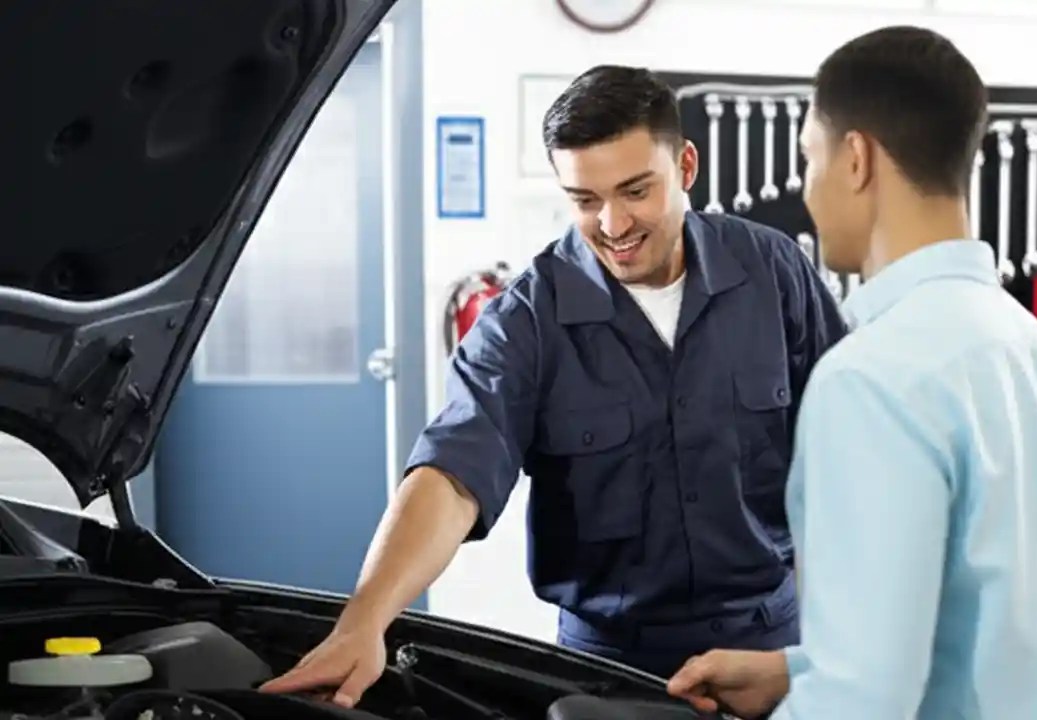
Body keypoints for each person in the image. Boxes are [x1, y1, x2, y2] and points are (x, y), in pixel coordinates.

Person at [258, 65, 848, 707]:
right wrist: (364, 620)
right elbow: (451, 475)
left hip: (769, 645)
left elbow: (845, 446)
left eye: (635, 191)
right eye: (586, 200)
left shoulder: (773, 271)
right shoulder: (525, 320)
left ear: (684, 166)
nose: (614, 224)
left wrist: (840, 637)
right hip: (611, 668)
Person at [666, 26, 1037, 719]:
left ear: (856, 158)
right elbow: (974, 628)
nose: (806, 188)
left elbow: (861, 702)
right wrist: (792, 669)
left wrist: (824, 685)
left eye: (809, 157)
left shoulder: (873, 381)